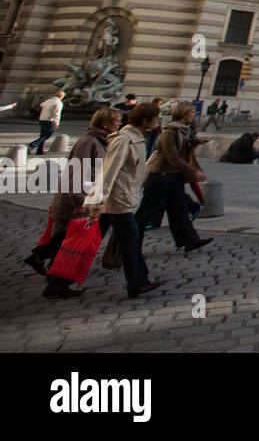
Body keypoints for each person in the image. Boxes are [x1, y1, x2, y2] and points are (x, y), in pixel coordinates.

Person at [25, 107, 120, 287]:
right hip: (76, 197)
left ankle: (42, 261)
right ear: (105, 124)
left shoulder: (102, 140)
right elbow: (77, 171)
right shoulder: (89, 141)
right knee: (67, 237)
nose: (119, 124)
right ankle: (54, 277)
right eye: (116, 121)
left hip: (86, 194)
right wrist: (79, 199)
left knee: (64, 236)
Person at [85, 103, 162, 298]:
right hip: (118, 200)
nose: (157, 121)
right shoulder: (124, 140)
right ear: (145, 120)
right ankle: (137, 281)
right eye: (155, 118)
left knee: (92, 240)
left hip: (123, 198)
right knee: (130, 241)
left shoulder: (137, 139)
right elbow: (108, 172)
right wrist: (96, 202)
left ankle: (60, 277)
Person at [136, 101, 211, 253]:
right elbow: (173, 158)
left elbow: (181, 153)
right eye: (191, 113)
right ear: (184, 115)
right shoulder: (169, 133)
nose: (194, 115)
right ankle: (131, 244)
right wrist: (194, 172)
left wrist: (194, 143)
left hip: (174, 177)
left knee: (180, 210)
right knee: (145, 213)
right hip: (161, 176)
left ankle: (190, 240)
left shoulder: (183, 131)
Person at [28, 90, 65, 155]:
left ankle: (39, 151)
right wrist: (57, 122)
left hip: (42, 119)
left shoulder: (48, 100)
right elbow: (57, 113)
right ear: (61, 96)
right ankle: (31, 146)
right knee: (47, 135)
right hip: (50, 120)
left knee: (42, 135)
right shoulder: (58, 102)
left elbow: (41, 105)